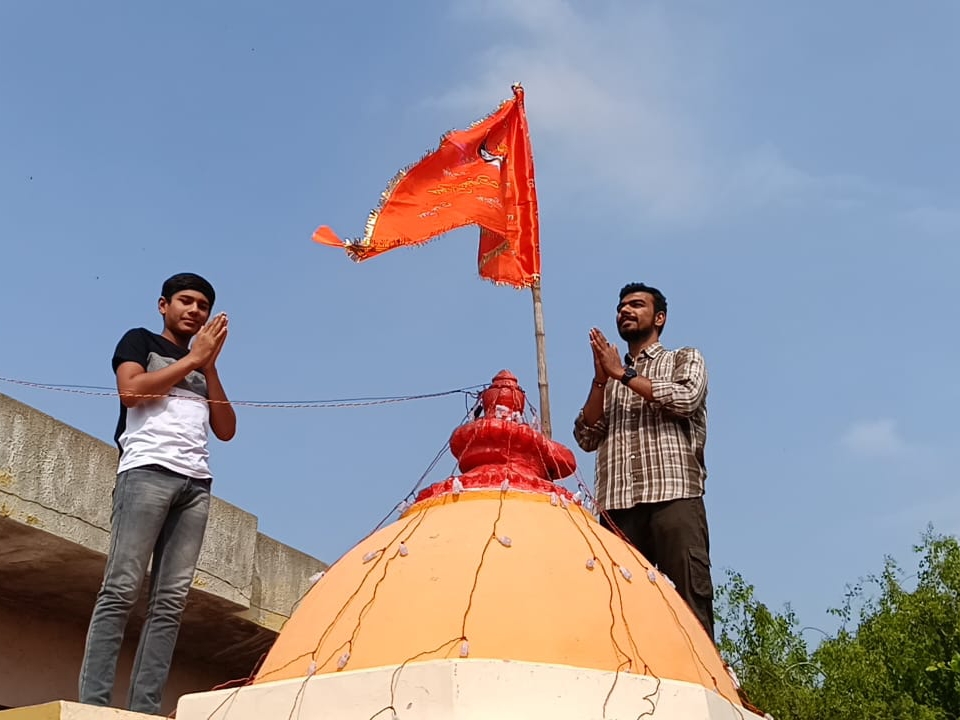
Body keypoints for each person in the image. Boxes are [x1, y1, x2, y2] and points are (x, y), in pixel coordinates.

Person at [79, 272, 236, 713]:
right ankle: (93, 704)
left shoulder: (203, 367)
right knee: (121, 589)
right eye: (186, 301)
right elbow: (131, 391)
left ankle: (144, 708)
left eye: (203, 306)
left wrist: (209, 365)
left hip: (196, 484)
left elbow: (226, 430)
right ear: (163, 305)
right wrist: (192, 360)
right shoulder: (139, 341)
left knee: (169, 602)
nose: (195, 311)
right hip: (146, 473)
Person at [574, 282, 714, 639]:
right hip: (617, 506)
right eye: (621, 307)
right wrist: (601, 379)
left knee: (689, 602)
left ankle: (705, 684)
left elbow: (685, 399)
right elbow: (586, 436)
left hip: (673, 495)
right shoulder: (611, 376)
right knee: (619, 608)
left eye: (636, 305)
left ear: (660, 318)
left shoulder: (683, 358)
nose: (625, 311)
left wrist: (624, 374)